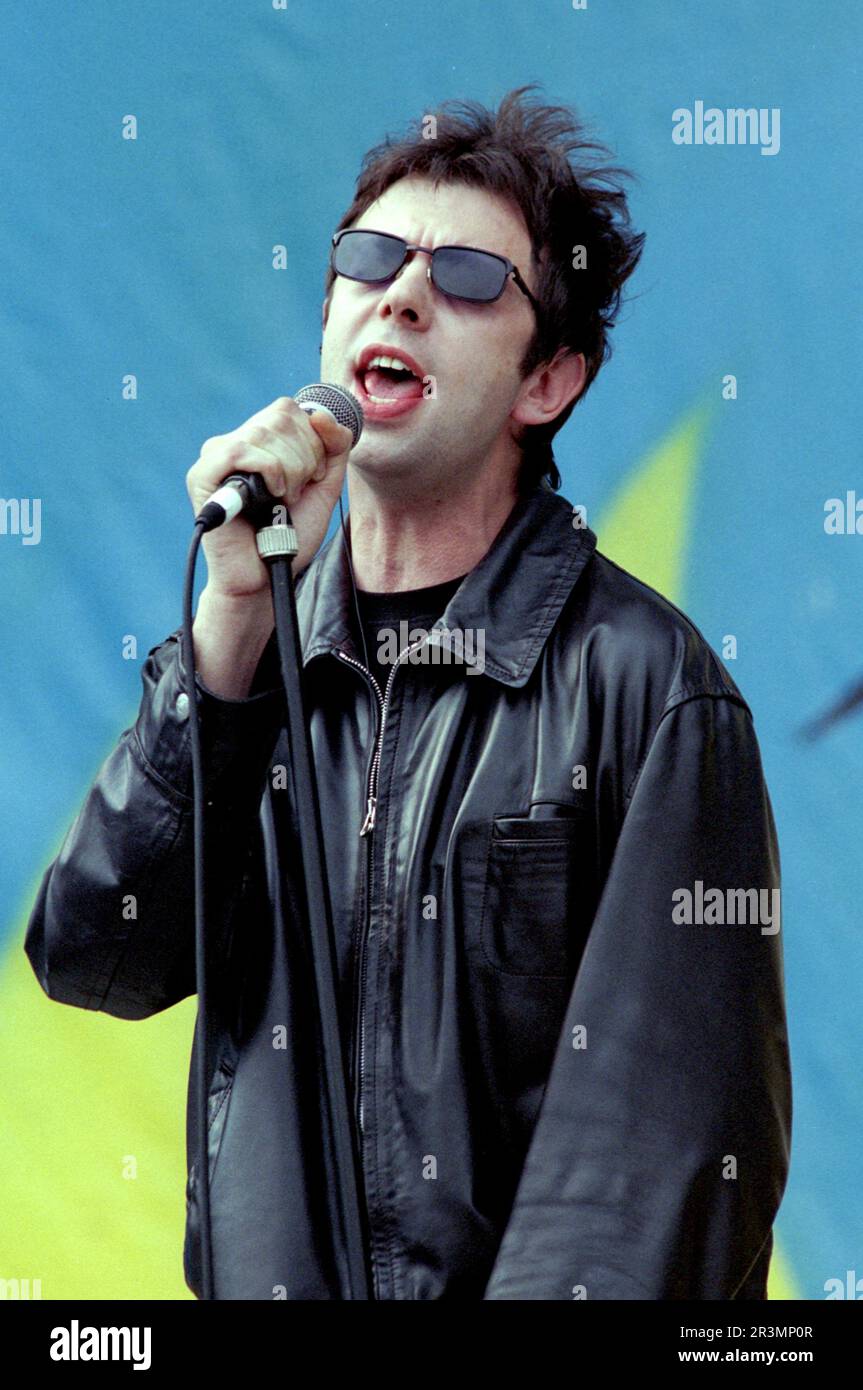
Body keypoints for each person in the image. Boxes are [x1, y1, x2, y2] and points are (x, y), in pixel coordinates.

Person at [24, 88, 792, 1300]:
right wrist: (226, 641)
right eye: (370, 259)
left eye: (471, 278)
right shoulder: (252, 661)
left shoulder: (649, 692)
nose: (402, 292)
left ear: (547, 382)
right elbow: (93, 959)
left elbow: (650, 1177)